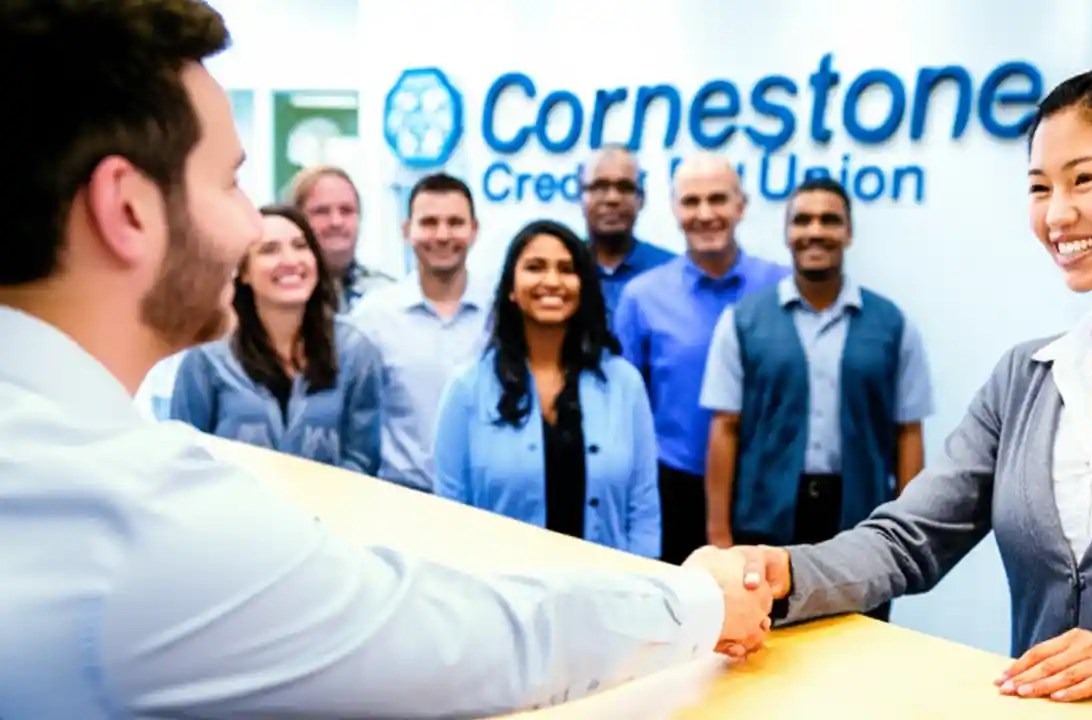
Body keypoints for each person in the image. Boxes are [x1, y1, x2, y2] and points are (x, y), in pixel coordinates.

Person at [0, 3, 772, 717]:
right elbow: (483, 641)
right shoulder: (143, 520)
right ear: (126, 209)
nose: (252, 226)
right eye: (231, 181)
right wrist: (699, 601)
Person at [727, 63, 1092, 719]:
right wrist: (777, 571)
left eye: (1085, 179)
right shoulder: (1026, 377)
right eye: (1039, 187)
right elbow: (908, 539)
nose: (1056, 214)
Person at [699, 178, 935, 621]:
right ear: (787, 232)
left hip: (862, 528)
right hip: (765, 520)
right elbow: (724, 428)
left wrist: (909, 530)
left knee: (858, 649)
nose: (815, 230)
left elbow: (908, 433)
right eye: (803, 220)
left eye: (830, 220)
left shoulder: (892, 324)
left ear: (848, 233)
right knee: (762, 648)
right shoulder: (743, 321)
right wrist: (718, 533)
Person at [435, 220, 660, 557]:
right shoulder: (466, 388)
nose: (552, 281)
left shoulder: (624, 384)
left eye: (567, 269)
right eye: (535, 267)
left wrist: (643, 592)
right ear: (511, 288)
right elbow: (449, 514)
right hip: (501, 597)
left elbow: (642, 511)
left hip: (607, 596)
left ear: (583, 285)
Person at [613, 153, 789, 565]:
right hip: (673, 491)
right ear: (674, 209)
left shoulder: (780, 288)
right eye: (691, 202)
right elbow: (626, 407)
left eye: (718, 199)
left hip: (766, 491)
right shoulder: (642, 297)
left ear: (740, 206)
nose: (705, 213)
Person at [170, 205, 384, 475]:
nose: (291, 260)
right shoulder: (207, 356)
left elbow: (364, 458)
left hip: (327, 514)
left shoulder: (355, 350)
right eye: (269, 250)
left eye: (300, 245)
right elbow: (184, 455)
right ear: (243, 272)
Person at [350, 172, 492, 492]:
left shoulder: (502, 313)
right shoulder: (372, 318)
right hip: (402, 502)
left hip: (488, 506)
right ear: (406, 230)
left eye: (455, 222)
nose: (442, 235)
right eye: (429, 223)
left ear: (474, 230)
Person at [579, 145, 676, 315]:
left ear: (641, 199)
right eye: (600, 187)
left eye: (625, 188)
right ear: (581, 197)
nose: (612, 198)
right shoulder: (563, 268)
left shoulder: (671, 272)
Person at [286, 164, 395, 312]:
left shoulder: (389, 297)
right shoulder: (280, 292)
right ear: (295, 220)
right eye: (321, 211)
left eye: (346, 211)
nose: (336, 222)